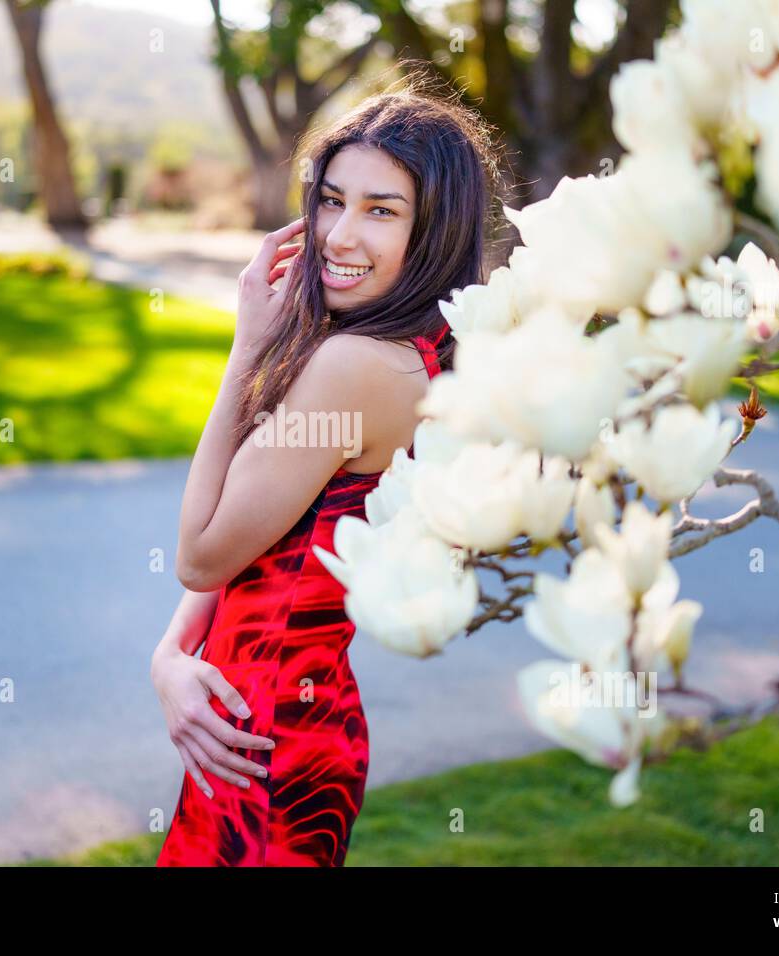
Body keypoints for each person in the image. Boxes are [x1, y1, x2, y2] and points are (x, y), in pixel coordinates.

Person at [151, 78, 506, 866]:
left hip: (268, 739)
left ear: (435, 232)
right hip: (260, 719)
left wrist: (246, 348)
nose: (339, 236)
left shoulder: (358, 368)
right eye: (331, 200)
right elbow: (258, 532)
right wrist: (173, 655)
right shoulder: (402, 353)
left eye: (382, 210)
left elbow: (202, 551)